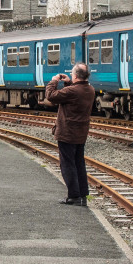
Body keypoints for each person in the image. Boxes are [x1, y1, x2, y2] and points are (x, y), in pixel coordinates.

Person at [44, 63, 96, 206]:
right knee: (79, 163)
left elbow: (51, 96)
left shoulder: (73, 91)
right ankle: (83, 195)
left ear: (75, 76)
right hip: (81, 133)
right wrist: (67, 82)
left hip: (67, 133)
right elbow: (73, 93)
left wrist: (54, 81)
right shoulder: (90, 89)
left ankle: (73, 195)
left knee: (67, 164)